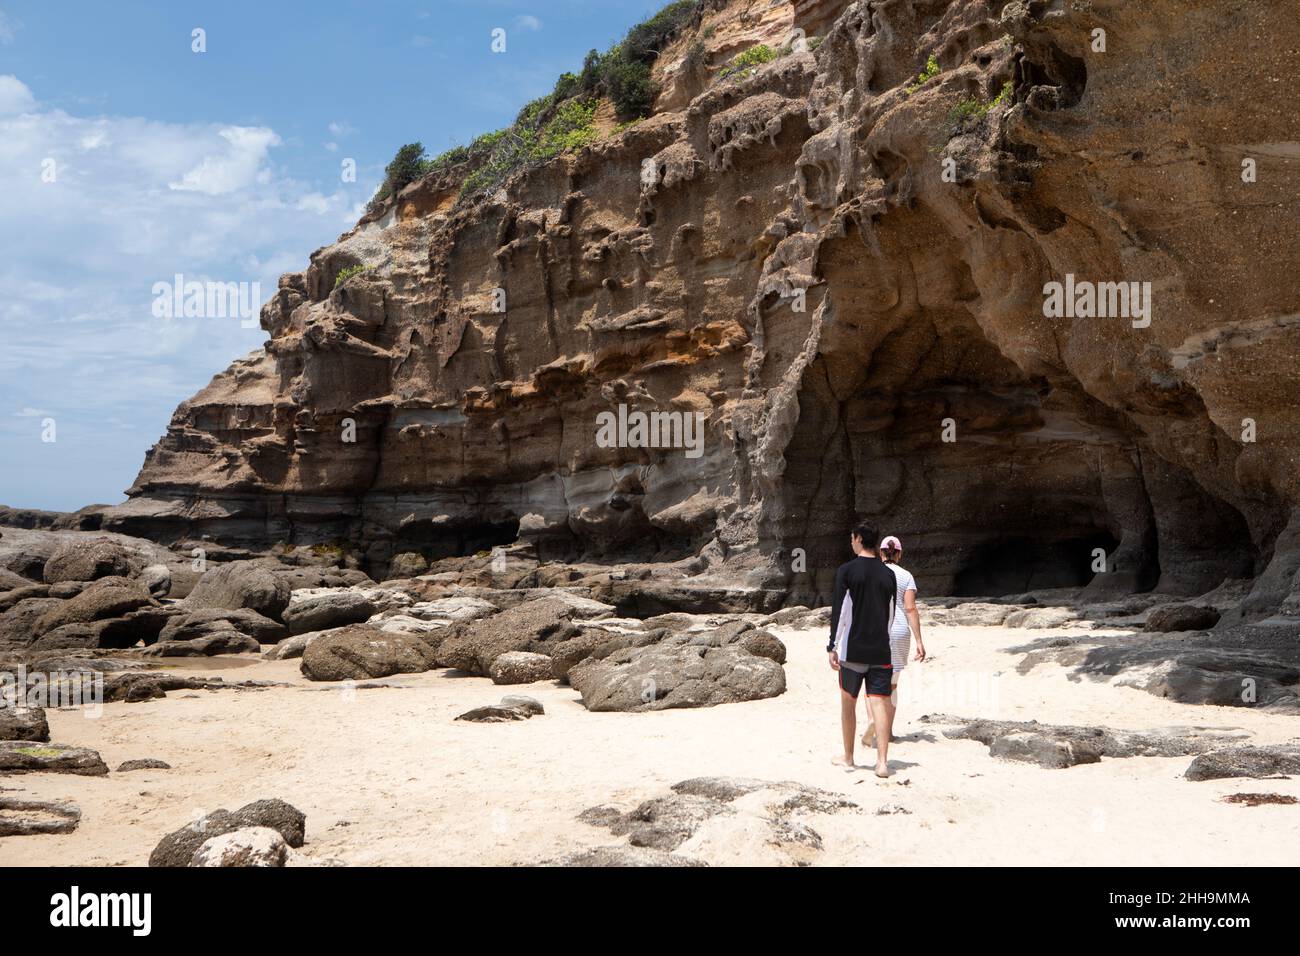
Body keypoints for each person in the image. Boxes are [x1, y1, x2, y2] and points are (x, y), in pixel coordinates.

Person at [827, 524, 898, 777]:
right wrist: (884, 639)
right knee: (879, 703)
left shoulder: (846, 571)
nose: (851, 542)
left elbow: (841, 611)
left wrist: (832, 646)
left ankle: (848, 758)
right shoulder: (888, 574)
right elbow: (890, 613)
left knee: (849, 703)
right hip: (881, 649)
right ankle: (882, 763)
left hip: (853, 650)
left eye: (852, 538)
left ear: (858, 539)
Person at [862, 535, 926, 747]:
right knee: (892, 684)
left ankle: (872, 720)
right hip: (899, 631)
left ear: (880, 553)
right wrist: (919, 640)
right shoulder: (906, 575)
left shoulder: (870, 573)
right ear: (899, 553)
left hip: (874, 630)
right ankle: (887, 732)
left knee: (871, 682)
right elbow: (910, 608)